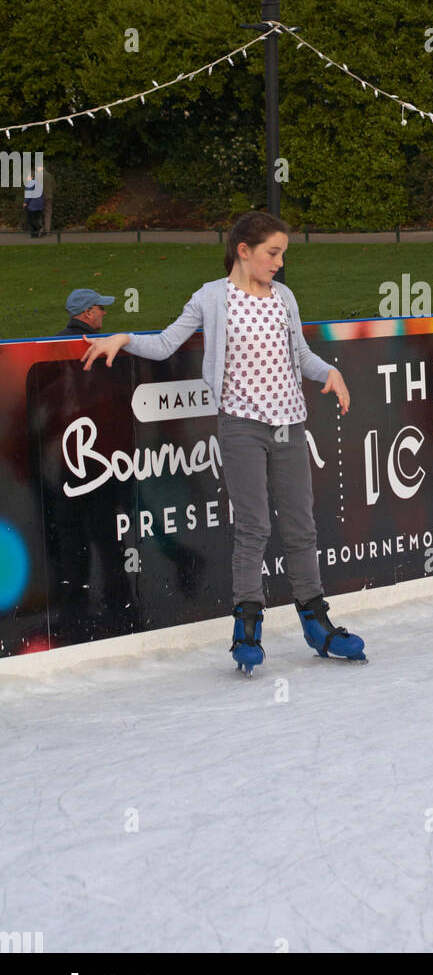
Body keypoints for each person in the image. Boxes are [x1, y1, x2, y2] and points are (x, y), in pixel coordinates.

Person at [80, 210, 365, 671]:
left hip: (290, 425)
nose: (279, 263)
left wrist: (330, 372)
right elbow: (167, 343)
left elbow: (301, 355)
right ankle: (247, 626)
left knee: (301, 527)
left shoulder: (284, 298)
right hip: (242, 426)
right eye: (272, 253)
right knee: (254, 527)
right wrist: (124, 338)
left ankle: (317, 622)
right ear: (243, 250)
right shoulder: (213, 298)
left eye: (283, 254)